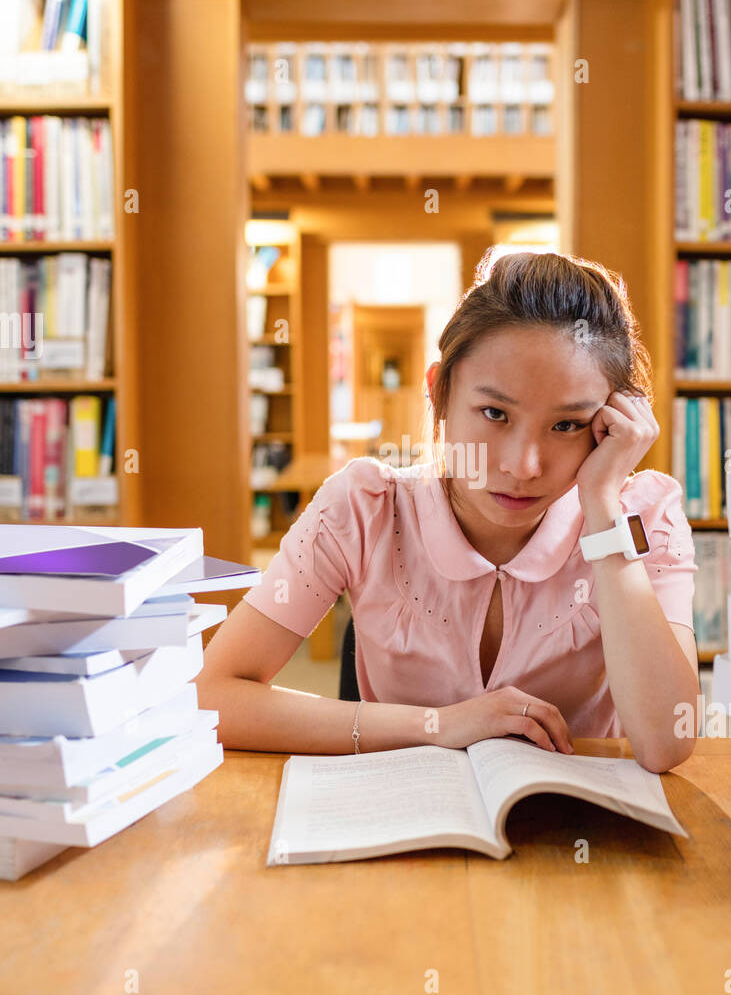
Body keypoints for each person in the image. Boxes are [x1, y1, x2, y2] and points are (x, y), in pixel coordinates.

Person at [197, 250, 699, 772]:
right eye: (494, 413)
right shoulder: (364, 508)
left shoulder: (643, 515)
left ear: (612, 425)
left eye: (567, 425)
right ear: (439, 393)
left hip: (576, 843)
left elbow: (668, 741)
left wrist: (601, 508)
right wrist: (439, 726)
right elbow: (212, 694)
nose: (523, 465)